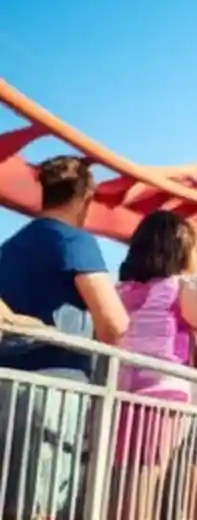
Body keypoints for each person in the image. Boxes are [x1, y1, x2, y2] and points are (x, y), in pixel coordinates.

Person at [0, 155, 130, 519]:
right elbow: (115, 323)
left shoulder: (9, 247)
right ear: (86, 199)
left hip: (6, 382)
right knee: (39, 505)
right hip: (54, 388)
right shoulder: (74, 241)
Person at [111, 210, 197, 520]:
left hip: (126, 394)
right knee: (143, 483)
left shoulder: (121, 291)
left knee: (125, 485)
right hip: (163, 395)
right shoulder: (182, 289)